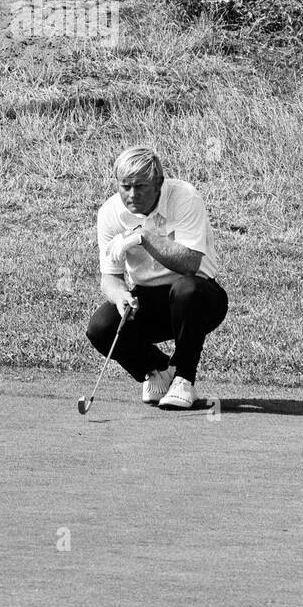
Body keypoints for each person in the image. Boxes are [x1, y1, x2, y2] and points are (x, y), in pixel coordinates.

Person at [88, 146, 229, 411]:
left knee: (187, 290)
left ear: (159, 183)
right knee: (102, 326)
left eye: (140, 186)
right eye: (125, 186)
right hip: (148, 300)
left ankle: (184, 380)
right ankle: (159, 372)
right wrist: (121, 297)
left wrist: (143, 236)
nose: (132, 194)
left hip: (200, 298)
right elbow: (110, 278)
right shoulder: (109, 213)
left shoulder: (184, 197)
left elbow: (190, 263)